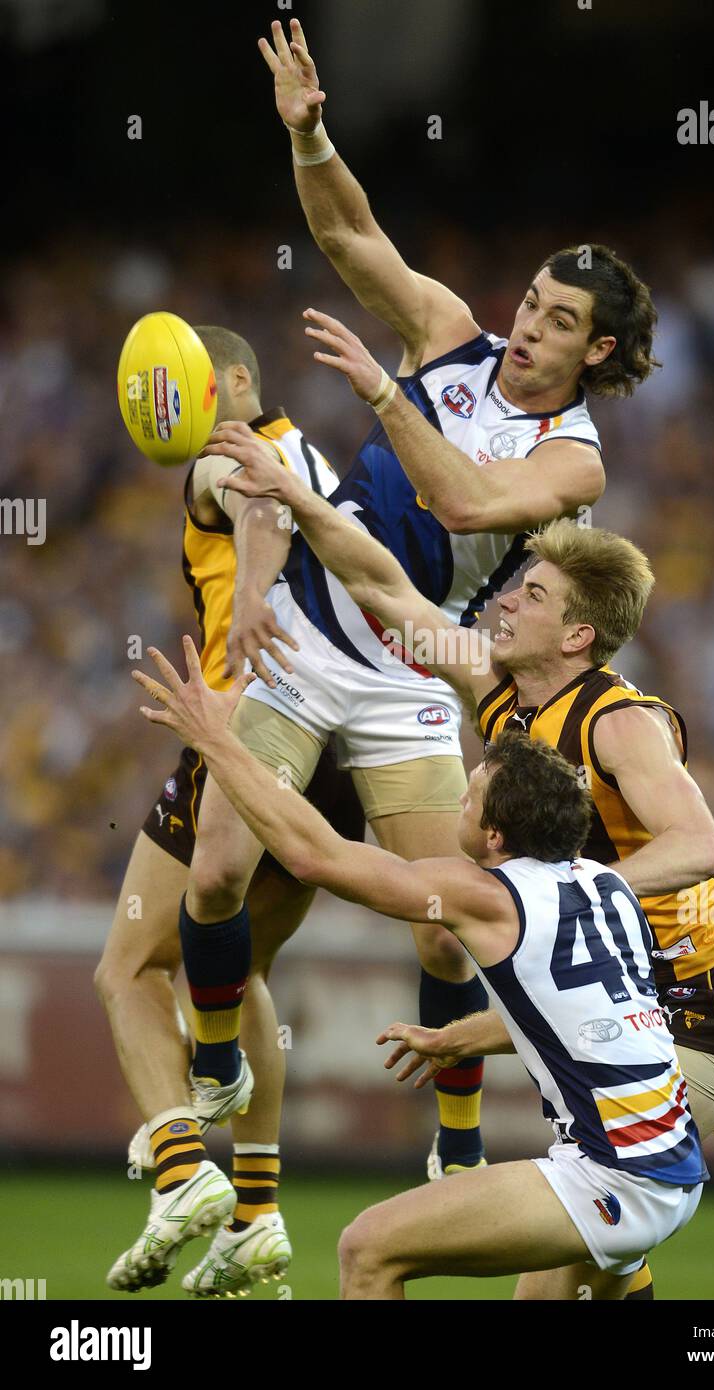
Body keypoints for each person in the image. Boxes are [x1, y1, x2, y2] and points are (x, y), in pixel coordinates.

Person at [211, 437, 714, 1297]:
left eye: (532, 594)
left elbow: (699, 846)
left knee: (569, 1251)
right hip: (695, 989)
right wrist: (299, 502)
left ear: (578, 633)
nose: (505, 602)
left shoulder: (616, 720)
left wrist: (581, 894)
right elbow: (384, 589)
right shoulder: (495, 687)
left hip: (709, 990)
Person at [179, 17, 661, 1190]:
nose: (527, 327)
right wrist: (309, 137)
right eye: (533, 301)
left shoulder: (575, 461)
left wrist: (385, 399)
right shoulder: (451, 333)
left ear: (596, 353)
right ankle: (215, 1075)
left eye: (556, 321)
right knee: (212, 879)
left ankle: (451, 1141)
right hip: (302, 632)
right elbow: (350, 233)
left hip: (410, 668)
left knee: (443, 926)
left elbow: (458, 506)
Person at [132, 645, 707, 1301]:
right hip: (671, 1162)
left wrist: (218, 743)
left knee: (367, 1249)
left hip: (614, 1173)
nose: (458, 801)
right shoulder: (607, 887)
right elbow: (589, 1011)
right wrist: (467, 1035)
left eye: (471, 797)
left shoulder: (490, 897)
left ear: (495, 835)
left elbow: (316, 858)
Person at [96, 327, 365, 1295]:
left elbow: (249, 501)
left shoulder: (227, 459)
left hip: (250, 726)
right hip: (339, 746)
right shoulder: (317, 461)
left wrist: (247, 593)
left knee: (127, 965)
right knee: (235, 964)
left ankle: (179, 1168)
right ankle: (256, 1212)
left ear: (236, 381)